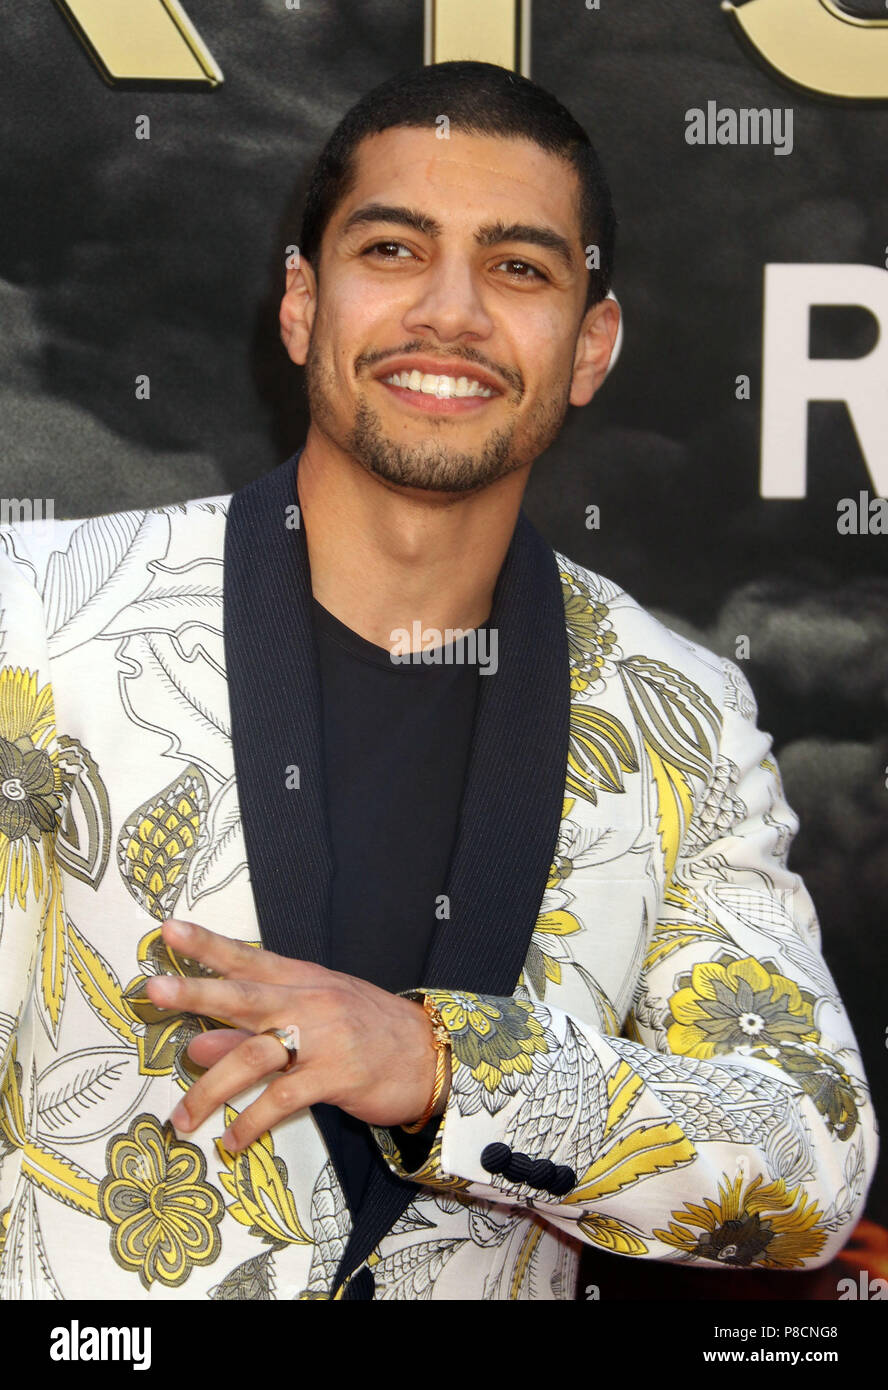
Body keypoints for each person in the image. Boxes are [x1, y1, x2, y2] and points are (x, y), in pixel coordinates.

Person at [0, 60, 876, 1302]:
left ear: (592, 345)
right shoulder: (34, 619)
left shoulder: (678, 709)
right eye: (394, 250)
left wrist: (446, 1066)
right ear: (302, 304)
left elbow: (811, 1161)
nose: (451, 312)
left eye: (518, 267)